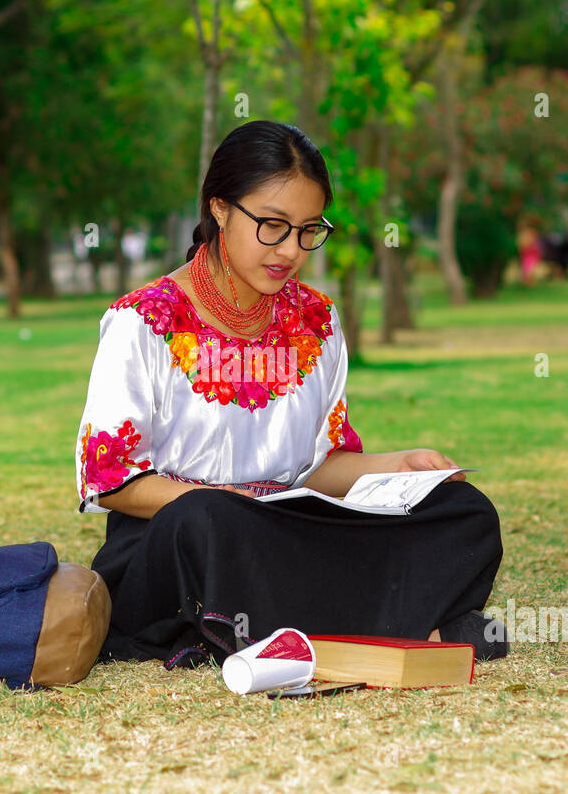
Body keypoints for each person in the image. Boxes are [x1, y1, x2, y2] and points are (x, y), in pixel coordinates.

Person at [73, 120, 508, 670]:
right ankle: (404, 625)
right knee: (207, 518)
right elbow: (109, 481)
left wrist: (402, 465)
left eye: (308, 230)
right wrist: (235, 505)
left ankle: (308, 629)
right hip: (180, 544)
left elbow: (320, 470)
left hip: (285, 529)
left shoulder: (317, 319)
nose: (291, 250)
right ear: (221, 209)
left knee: (460, 510)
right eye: (272, 226)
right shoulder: (143, 321)